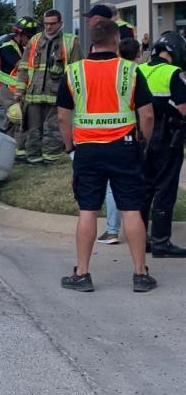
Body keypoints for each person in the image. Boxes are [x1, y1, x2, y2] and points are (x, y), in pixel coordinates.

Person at [58, 19, 157, 293]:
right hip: (124, 148)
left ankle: (82, 273)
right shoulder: (130, 70)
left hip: (87, 150)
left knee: (88, 209)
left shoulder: (73, 72)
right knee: (131, 209)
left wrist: (70, 148)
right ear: (115, 41)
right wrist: (142, 141)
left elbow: (63, 117)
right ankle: (140, 274)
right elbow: (147, 114)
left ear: (91, 42)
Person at [139, 31, 186, 257]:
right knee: (164, 189)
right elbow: (183, 109)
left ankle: (140, 239)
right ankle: (161, 242)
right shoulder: (173, 73)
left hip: (141, 137)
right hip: (167, 137)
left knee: (144, 189)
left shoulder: (139, 70)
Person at [18, 9, 83, 165]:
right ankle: (33, 158)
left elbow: (77, 70)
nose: (48, 27)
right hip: (34, 94)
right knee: (32, 129)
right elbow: (24, 67)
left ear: (61, 23)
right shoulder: (34, 40)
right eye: (46, 24)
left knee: (53, 129)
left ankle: (50, 159)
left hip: (57, 95)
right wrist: (19, 90)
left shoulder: (71, 41)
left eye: (52, 24)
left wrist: (73, 95)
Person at [97, 37, 144, 245]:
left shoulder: (113, 74)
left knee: (111, 188)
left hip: (104, 138)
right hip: (132, 137)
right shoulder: (136, 73)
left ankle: (112, 230)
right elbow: (147, 113)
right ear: (139, 55)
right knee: (133, 192)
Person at [0, 17, 39, 156]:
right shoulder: (7, 47)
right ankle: (17, 152)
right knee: (19, 119)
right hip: (9, 91)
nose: (30, 40)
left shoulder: (20, 47)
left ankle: (10, 152)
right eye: (29, 37)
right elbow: (20, 65)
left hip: (17, 91)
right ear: (20, 35)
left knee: (12, 123)